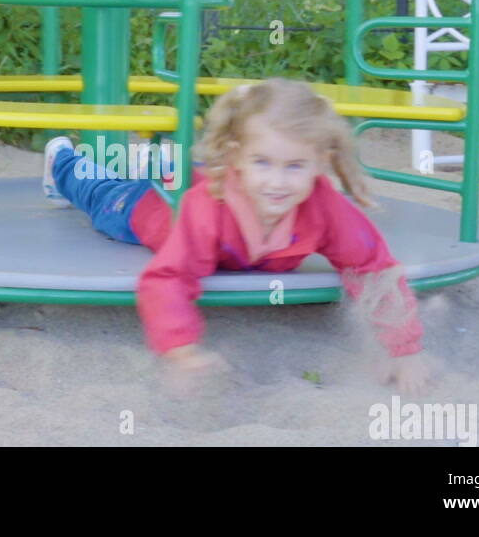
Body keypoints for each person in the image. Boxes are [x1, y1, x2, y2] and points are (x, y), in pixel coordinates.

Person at [41, 78, 429, 394]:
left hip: (198, 183)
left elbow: (373, 267)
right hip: (146, 210)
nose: (278, 182)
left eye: (295, 166)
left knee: (172, 174)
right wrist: (180, 348)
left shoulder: (325, 209)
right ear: (236, 157)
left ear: (320, 164)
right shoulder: (207, 209)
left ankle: (161, 164)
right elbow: (169, 277)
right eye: (263, 162)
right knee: (98, 194)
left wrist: (404, 348)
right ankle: (63, 161)